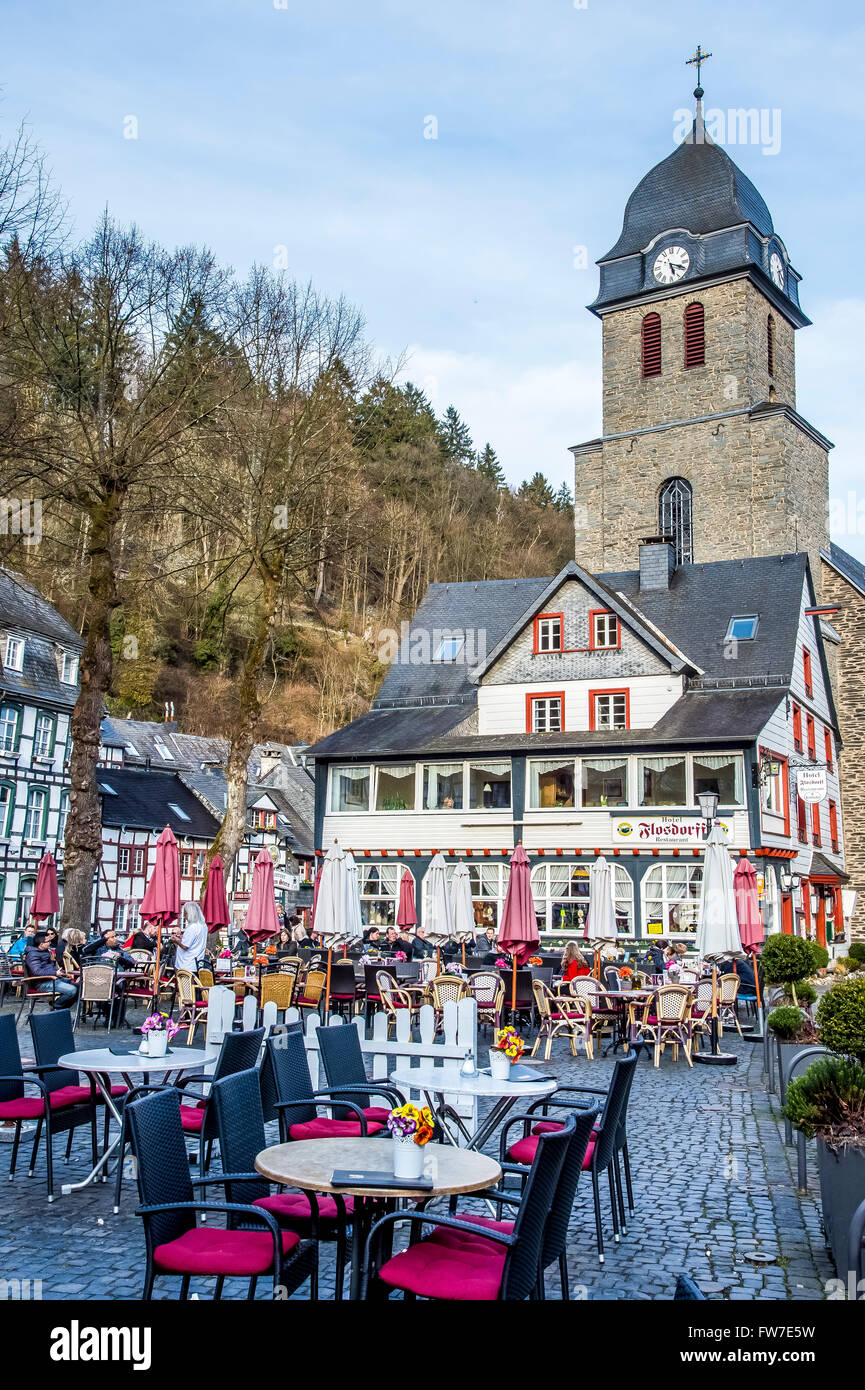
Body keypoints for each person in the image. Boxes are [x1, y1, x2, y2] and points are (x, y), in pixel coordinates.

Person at [23, 930, 78, 1008]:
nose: (50, 943)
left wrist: (60, 973)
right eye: (48, 941)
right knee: (72, 990)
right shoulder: (33, 954)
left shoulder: (44, 952)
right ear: (41, 944)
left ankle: (61, 1008)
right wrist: (55, 973)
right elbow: (37, 971)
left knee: (79, 987)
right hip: (42, 983)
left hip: (52, 979)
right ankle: (56, 1005)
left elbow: (49, 967)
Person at [173, 902, 208, 974]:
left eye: (185, 914)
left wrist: (176, 941)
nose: (185, 917)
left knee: (184, 984)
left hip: (187, 964)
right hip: (197, 962)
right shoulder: (203, 925)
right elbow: (194, 941)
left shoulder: (192, 927)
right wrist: (182, 937)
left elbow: (185, 946)